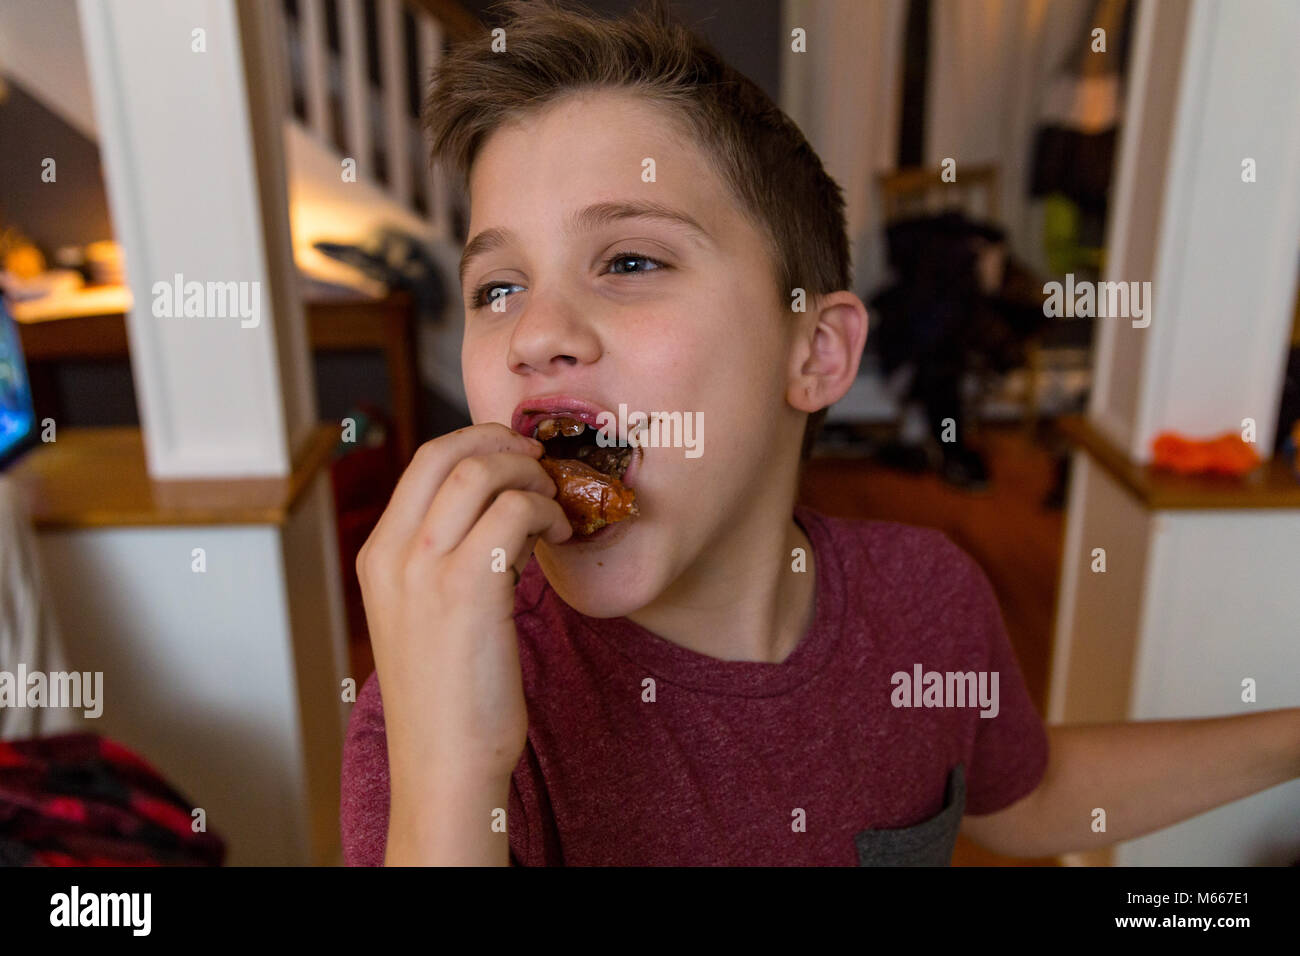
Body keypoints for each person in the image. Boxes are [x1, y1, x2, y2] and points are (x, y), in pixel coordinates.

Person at [340, 0, 1300, 866]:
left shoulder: (932, 605)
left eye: (629, 258)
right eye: (496, 288)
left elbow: (1027, 798)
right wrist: (451, 774)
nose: (534, 333)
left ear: (817, 353)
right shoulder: (434, 713)